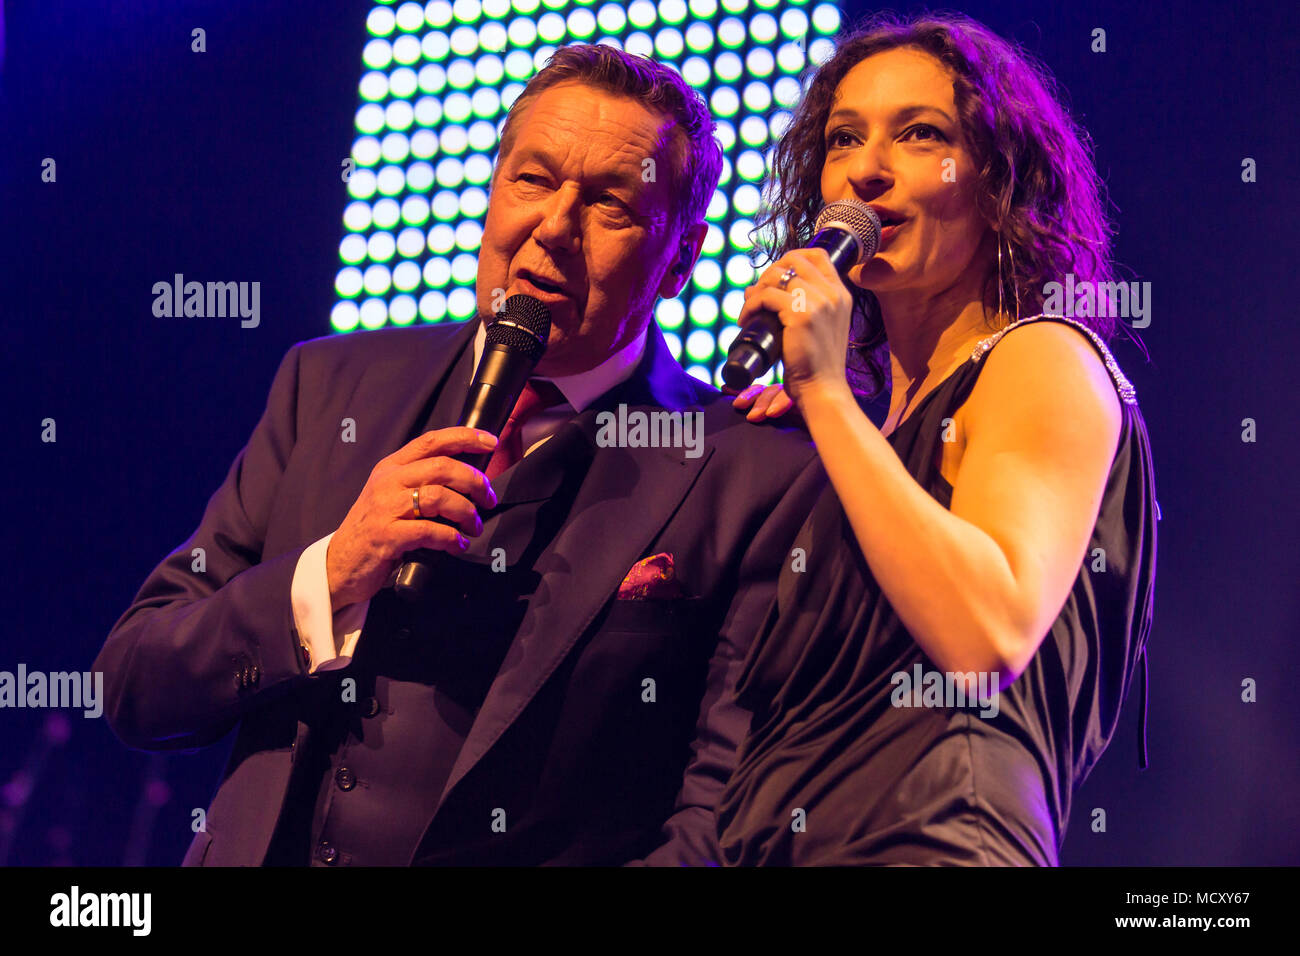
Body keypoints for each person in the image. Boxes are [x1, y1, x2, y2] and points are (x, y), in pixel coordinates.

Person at [95, 44, 826, 867]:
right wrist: (331, 573)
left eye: (611, 205)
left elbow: (719, 822)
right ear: (492, 191)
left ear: (680, 260)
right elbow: (134, 683)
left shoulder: (753, 468)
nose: (554, 227)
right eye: (533, 180)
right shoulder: (329, 385)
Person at [718, 12, 1157, 865]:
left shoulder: (1043, 357)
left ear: (998, 182)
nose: (866, 174)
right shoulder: (866, 430)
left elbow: (985, 634)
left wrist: (826, 397)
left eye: (921, 135)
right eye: (844, 139)